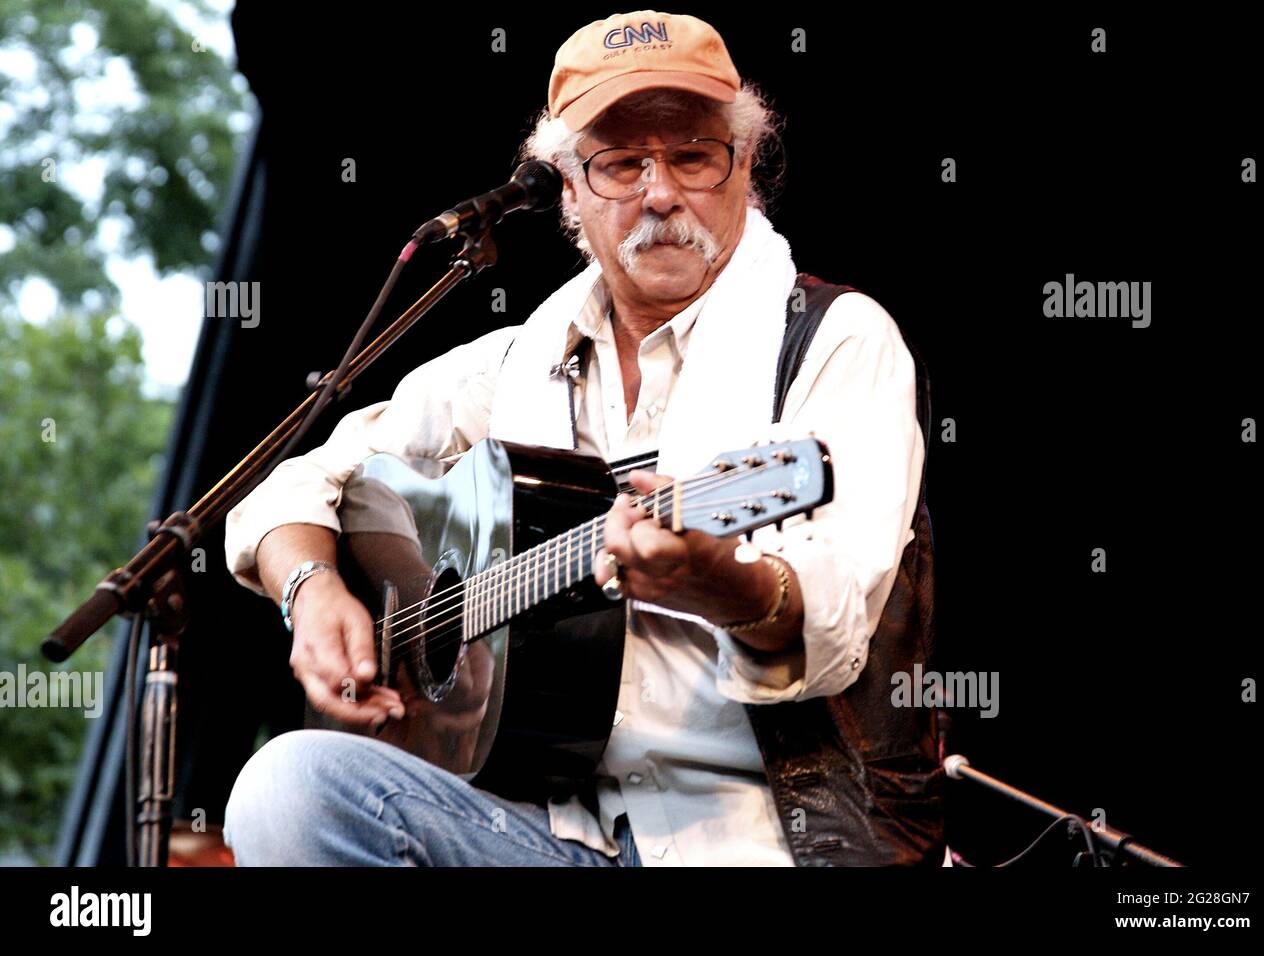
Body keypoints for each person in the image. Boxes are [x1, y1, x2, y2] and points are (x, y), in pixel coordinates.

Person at [221, 10, 932, 867]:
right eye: (621, 163)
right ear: (567, 190)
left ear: (746, 168)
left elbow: (836, 618)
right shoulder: (516, 360)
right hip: (537, 829)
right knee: (289, 788)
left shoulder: (832, 338)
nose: (661, 192)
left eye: (694, 155)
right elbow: (293, 482)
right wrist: (310, 586)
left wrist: (723, 581)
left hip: (749, 842)